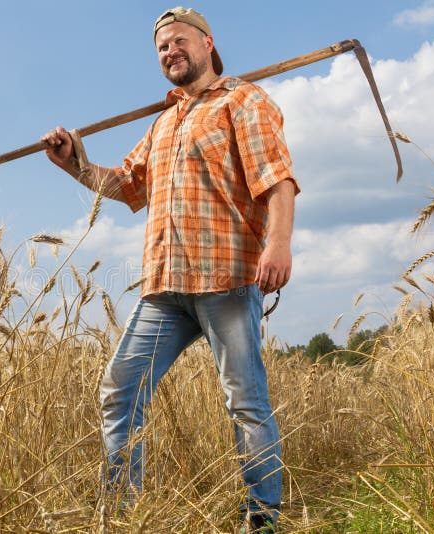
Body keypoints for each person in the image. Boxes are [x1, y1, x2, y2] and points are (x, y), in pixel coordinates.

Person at [41, 7, 298, 532]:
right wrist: (74, 162)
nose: (170, 51)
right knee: (121, 388)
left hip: (226, 278)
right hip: (165, 288)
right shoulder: (164, 123)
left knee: (245, 402)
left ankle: (263, 520)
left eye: (179, 41)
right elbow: (126, 185)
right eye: (161, 47)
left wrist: (279, 244)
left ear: (207, 44)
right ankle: (122, 515)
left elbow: (278, 181)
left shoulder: (242, 101)